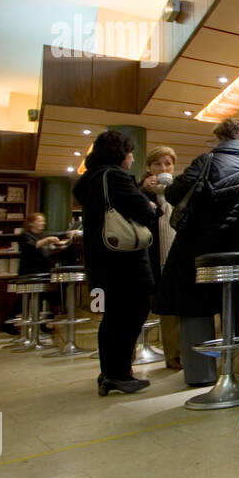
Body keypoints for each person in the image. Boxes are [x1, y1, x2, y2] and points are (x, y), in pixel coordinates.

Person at [157, 120, 239, 388]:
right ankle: (230, 365)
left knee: (196, 307)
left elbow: (174, 193)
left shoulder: (206, 160)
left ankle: (202, 373)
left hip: (199, 247)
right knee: (230, 303)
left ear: (219, 137)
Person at [71, 130, 158, 395]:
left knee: (112, 318)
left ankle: (109, 373)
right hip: (124, 262)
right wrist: (150, 202)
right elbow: (144, 213)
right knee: (131, 314)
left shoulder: (90, 180)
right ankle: (118, 374)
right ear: (120, 154)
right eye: (130, 153)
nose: (132, 158)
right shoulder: (115, 177)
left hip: (100, 262)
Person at [139, 146, 181, 370]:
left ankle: (186, 352)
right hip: (154, 256)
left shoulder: (179, 189)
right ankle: (172, 354)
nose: (163, 168)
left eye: (167, 163)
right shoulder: (143, 191)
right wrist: (143, 191)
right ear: (149, 167)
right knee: (167, 308)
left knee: (181, 305)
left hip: (179, 252)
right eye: (158, 164)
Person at [1, 213, 71, 335]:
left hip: (41, 274)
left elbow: (55, 234)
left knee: (42, 298)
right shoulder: (25, 236)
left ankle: (42, 324)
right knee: (30, 300)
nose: (43, 223)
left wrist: (68, 233)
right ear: (32, 223)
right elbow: (32, 246)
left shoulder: (40, 235)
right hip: (30, 273)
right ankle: (9, 323)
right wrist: (48, 240)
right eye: (40, 221)